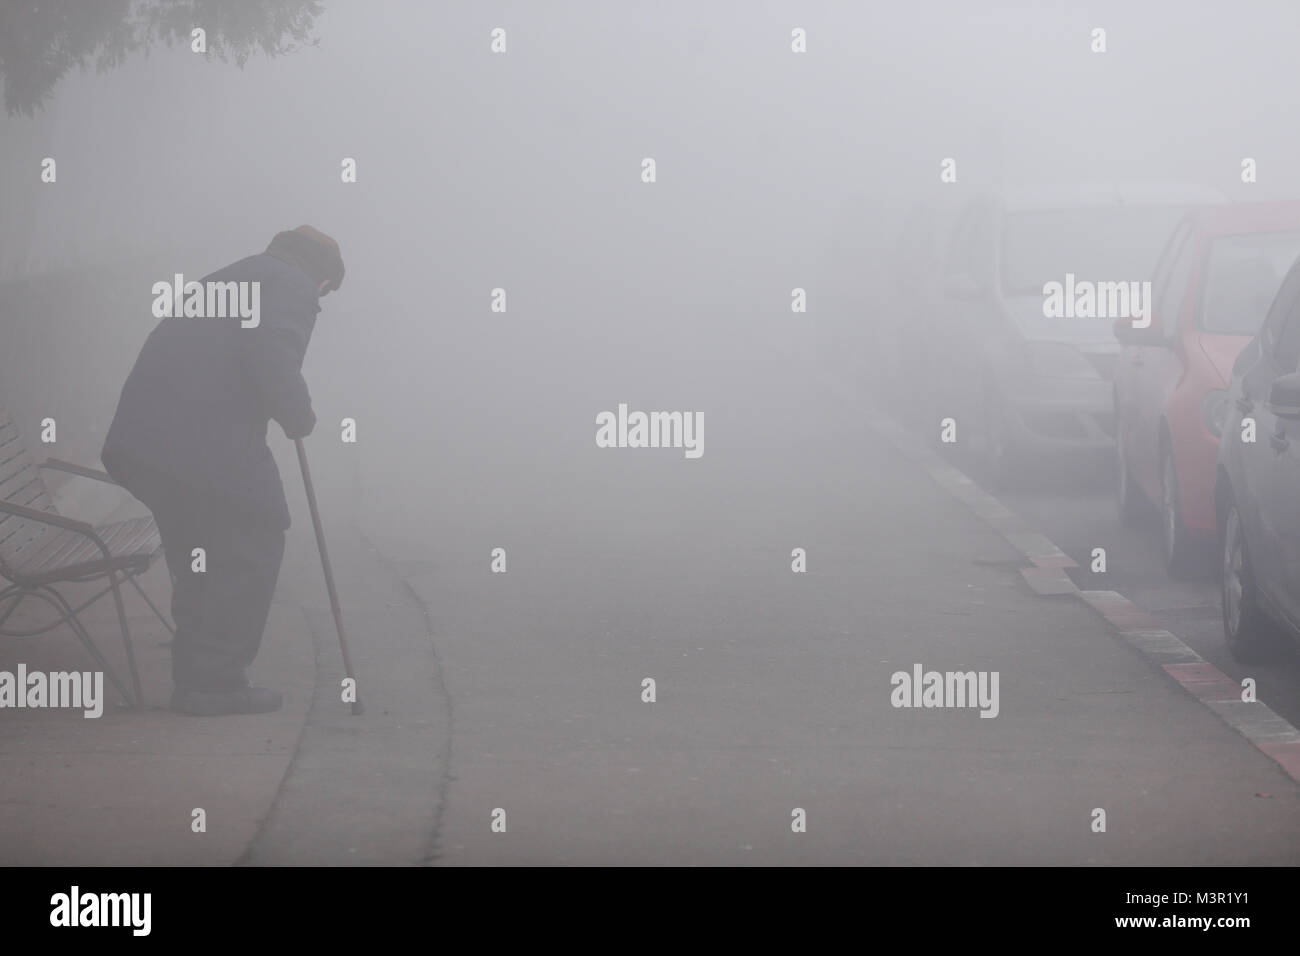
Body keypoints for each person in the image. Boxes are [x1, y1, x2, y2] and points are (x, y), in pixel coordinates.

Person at [102, 226, 345, 715]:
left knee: (204, 551)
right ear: (319, 276)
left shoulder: (238, 275)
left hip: (150, 443)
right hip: (198, 442)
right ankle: (214, 684)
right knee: (253, 533)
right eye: (325, 293)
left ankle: (201, 679)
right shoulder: (291, 284)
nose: (319, 302)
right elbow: (273, 355)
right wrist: (298, 414)